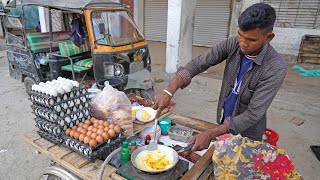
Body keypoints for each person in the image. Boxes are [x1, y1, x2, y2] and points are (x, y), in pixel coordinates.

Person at [152, 3, 287, 152]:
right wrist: (169, 90)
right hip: (224, 120)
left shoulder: (275, 67)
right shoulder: (233, 43)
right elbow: (200, 63)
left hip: (248, 132)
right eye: (240, 35)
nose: (242, 43)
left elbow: (253, 113)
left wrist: (211, 133)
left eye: (251, 40)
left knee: (239, 166)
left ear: (269, 37)